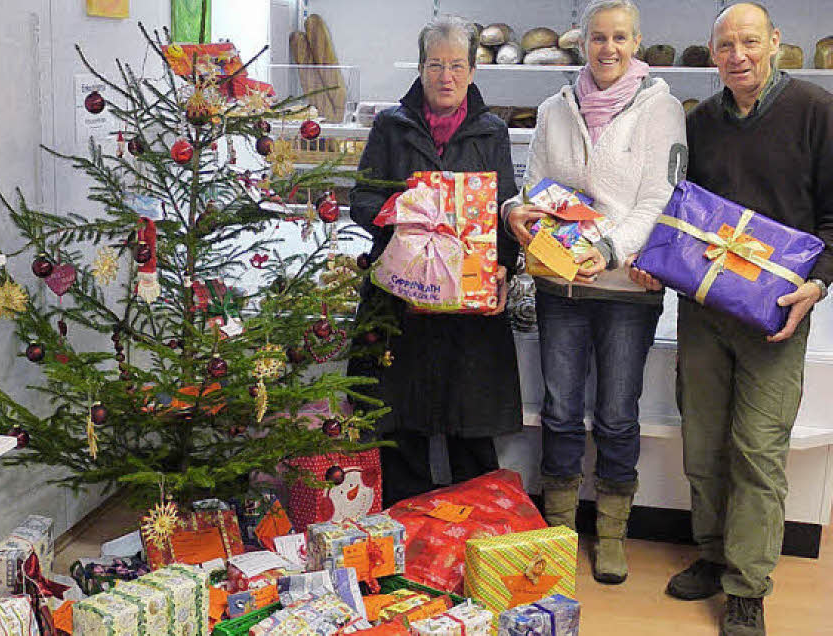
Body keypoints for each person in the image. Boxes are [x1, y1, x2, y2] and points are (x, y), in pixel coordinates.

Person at [637, 3, 833, 634]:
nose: (738, 55)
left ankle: (747, 587)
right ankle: (714, 553)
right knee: (703, 444)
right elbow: (680, 212)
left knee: (757, 450)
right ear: (713, 52)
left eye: (750, 42)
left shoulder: (815, 112)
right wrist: (652, 259)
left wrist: (819, 283)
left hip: (775, 317)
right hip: (703, 312)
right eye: (726, 45)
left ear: (774, 42)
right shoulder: (699, 123)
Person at [504, 0, 687, 585]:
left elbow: (660, 199)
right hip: (560, 285)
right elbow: (532, 183)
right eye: (598, 37)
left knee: (614, 414)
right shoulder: (557, 107)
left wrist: (605, 249)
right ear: (583, 42)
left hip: (626, 288)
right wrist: (518, 212)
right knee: (559, 411)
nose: (608, 48)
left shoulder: (661, 109)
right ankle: (559, 528)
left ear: (636, 42)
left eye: (620, 37)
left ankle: (612, 535)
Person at [348, 15, 522, 506]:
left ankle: (475, 540)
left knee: (472, 431)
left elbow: (505, 212)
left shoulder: (492, 131)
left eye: (457, 65)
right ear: (421, 68)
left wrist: (505, 266)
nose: (446, 76)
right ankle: (407, 536)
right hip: (400, 301)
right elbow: (361, 199)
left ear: (472, 71)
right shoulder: (391, 126)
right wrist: (403, 214)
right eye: (435, 64)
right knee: (399, 426)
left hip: (469, 309)